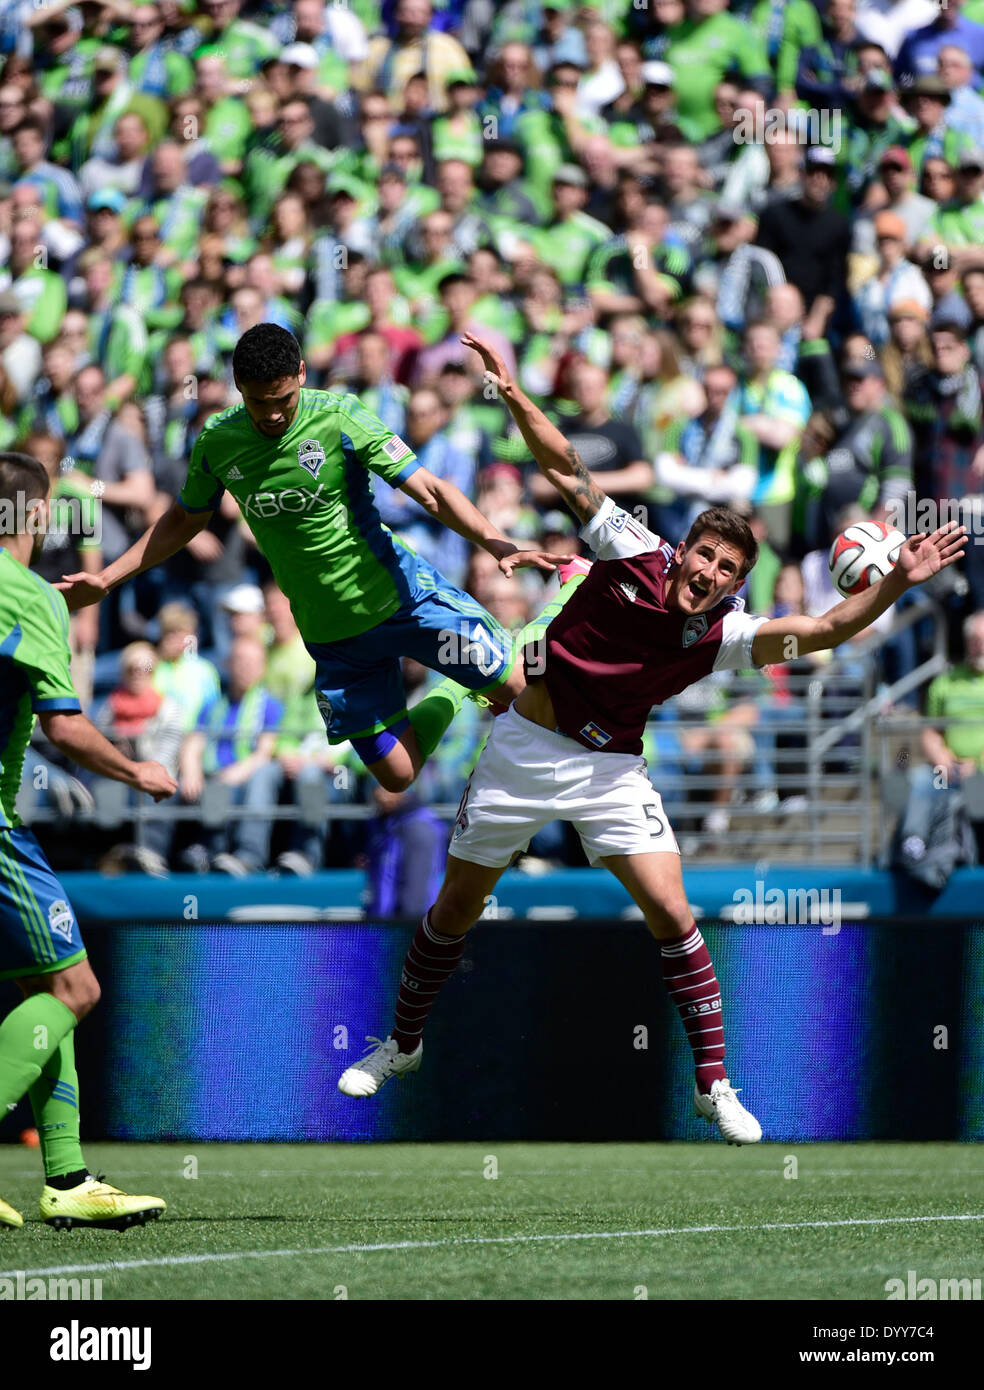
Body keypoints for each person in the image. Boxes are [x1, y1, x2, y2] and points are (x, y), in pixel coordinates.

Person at [337, 332, 966, 1144]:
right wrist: (513, 392)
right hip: (524, 752)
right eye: (705, 555)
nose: (708, 573)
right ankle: (403, 1043)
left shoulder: (726, 632)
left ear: (736, 585)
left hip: (610, 772)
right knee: (456, 906)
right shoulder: (632, 548)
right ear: (687, 551)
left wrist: (896, 585)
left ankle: (714, 1085)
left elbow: (824, 628)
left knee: (673, 910)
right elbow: (567, 469)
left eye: (725, 570)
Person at [58, 322, 570, 793]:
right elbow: (183, 519)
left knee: (531, 699)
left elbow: (431, 491)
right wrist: (106, 578)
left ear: (301, 374)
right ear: (239, 386)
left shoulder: (339, 417)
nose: (275, 412)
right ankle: (457, 691)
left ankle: (536, 624)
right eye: (261, 402)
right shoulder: (217, 442)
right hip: (334, 637)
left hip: (404, 600)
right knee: (397, 775)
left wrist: (496, 542)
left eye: (284, 397)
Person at [0, 451, 174, 1230]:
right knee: (78, 990)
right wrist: (138, 772)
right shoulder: (30, 596)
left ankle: (66, 1178)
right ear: (36, 517)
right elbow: (65, 726)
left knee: (47, 989)